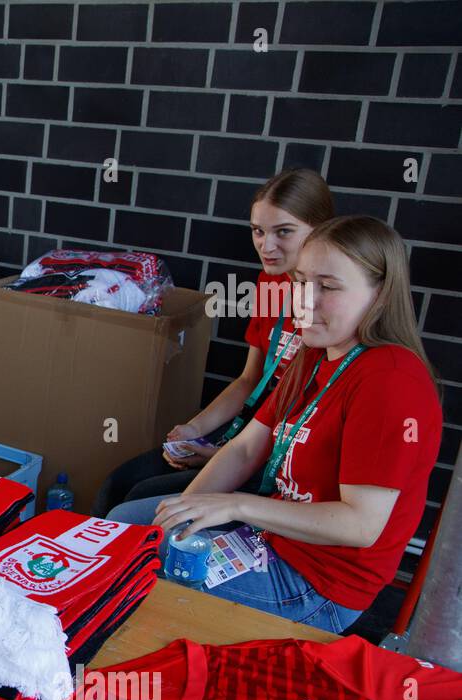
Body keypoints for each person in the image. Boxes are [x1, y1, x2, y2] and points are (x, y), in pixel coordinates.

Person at [129, 217, 441, 633]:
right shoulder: (317, 351)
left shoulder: (391, 379)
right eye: (300, 282)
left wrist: (236, 505)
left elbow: (361, 525)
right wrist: (185, 515)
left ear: (380, 295)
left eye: (327, 287)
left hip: (318, 583)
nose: (304, 302)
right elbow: (245, 448)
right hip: (269, 538)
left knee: (138, 582)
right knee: (128, 528)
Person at [93, 169, 334, 517]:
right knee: (118, 484)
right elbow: (250, 380)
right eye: (258, 231)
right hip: (249, 433)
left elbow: (306, 435)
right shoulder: (271, 282)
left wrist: (227, 454)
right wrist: (195, 429)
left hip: (277, 458)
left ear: (322, 230)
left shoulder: (333, 313)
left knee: (137, 502)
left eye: (284, 231)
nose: (266, 246)